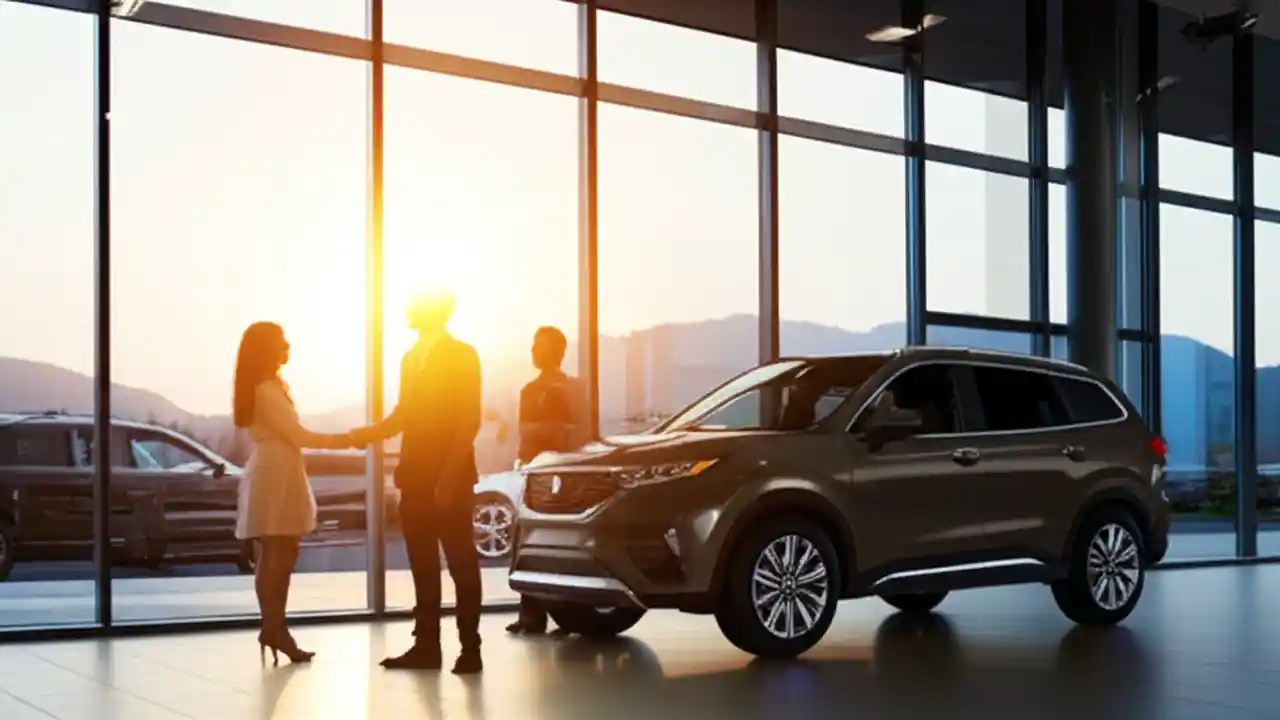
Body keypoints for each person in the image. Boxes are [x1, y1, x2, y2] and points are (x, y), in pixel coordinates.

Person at [351, 288, 484, 674]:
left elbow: (467, 421)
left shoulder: (462, 355)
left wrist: (449, 476)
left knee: (461, 562)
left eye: (413, 304)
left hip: (450, 477)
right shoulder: (411, 359)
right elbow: (403, 414)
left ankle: (469, 649)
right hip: (415, 475)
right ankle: (426, 646)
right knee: (422, 564)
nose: (406, 308)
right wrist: (370, 433)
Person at [232, 321, 353, 664]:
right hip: (277, 471)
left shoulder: (262, 386)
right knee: (280, 553)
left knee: (271, 552)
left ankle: (273, 626)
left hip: (271, 468)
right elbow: (298, 435)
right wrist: (344, 440)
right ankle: (275, 628)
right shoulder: (267, 390)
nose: (288, 346)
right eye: (282, 341)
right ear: (268, 348)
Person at [506, 326, 589, 635]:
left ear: (557, 351)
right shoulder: (529, 390)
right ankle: (531, 614)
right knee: (529, 539)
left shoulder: (573, 388)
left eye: (538, 346)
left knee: (560, 541)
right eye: (533, 346)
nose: (532, 352)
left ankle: (564, 612)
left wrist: (541, 432)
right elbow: (525, 434)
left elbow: (578, 432)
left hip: (566, 475)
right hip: (534, 473)